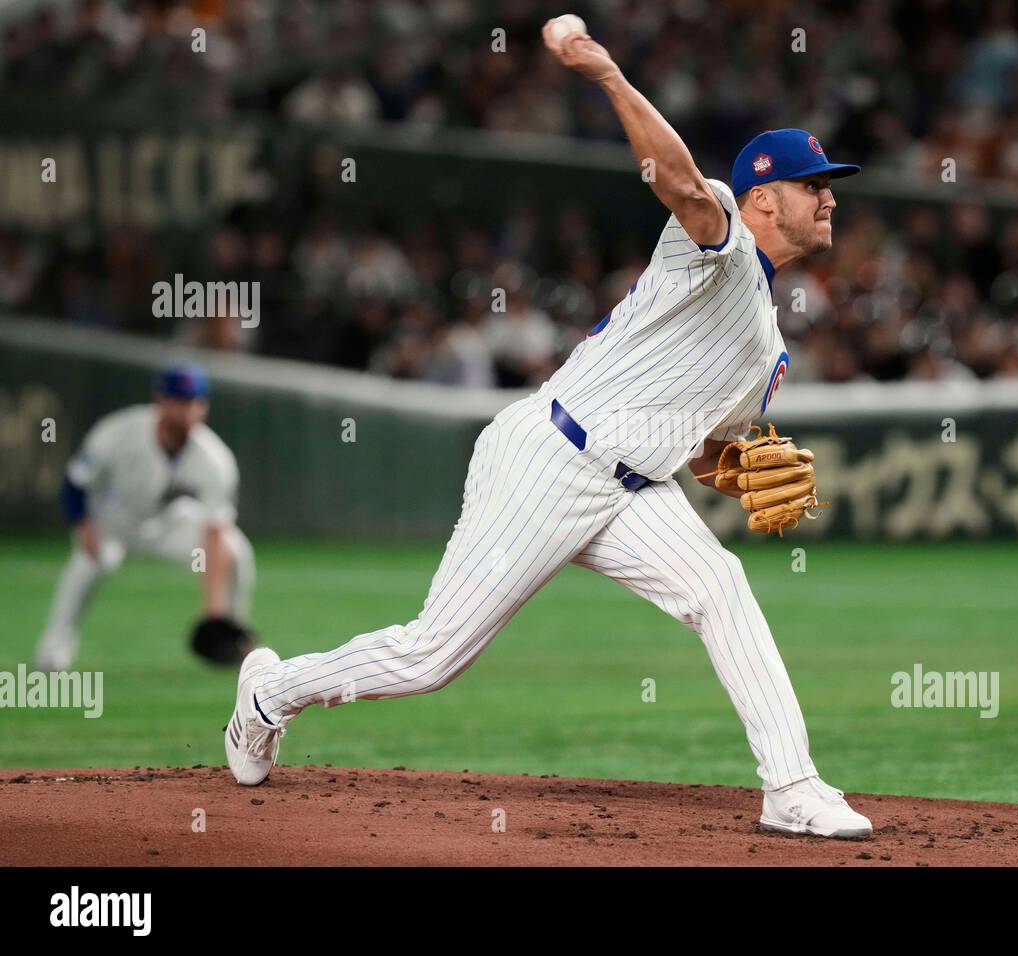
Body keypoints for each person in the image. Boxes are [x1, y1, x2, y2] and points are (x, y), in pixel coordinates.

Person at [225, 22, 873, 839]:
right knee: (432, 657)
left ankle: (791, 787)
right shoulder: (720, 244)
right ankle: (269, 694)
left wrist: (733, 466)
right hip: (552, 457)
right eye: (816, 184)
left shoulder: (769, 346)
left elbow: (706, 443)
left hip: (635, 488)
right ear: (764, 197)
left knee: (722, 589)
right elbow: (675, 182)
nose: (831, 198)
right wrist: (605, 72)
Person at [35, 364, 255, 671]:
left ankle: (229, 634)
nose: (186, 409)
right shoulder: (119, 431)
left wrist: (212, 610)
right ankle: (55, 647)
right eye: (179, 399)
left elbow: (213, 533)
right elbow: (75, 483)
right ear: (160, 400)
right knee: (88, 564)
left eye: (194, 401)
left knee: (236, 551)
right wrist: (83, 526)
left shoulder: (214, 459)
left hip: (167, 525)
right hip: (112, 521)